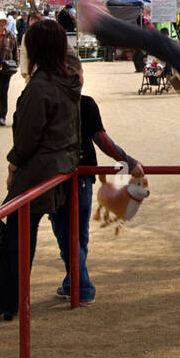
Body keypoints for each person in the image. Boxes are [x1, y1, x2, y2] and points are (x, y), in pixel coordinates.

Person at [0, 19, 81, 321]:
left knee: (17, 239)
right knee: (23, 237)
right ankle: (7, 300)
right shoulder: (67, 81)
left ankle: (3, 302)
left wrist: (14, 164)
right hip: (61, 166)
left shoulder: (41, 86)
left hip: (38, 170)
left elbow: (28, 136)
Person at [51, 93, 143, 305]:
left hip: (58, 176)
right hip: (80, 176)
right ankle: (73, 282)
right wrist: (127, 160)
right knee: (77, 235)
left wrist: (127, 161)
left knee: (67, 234)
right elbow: (101, 139)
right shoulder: (84, 103)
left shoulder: (50, 100)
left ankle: (81, 287)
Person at [18, 10, 42, 81]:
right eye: (31, 20)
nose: (34, 22)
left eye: (36, 20)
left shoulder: (45, 34)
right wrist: (24, 69)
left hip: (43, 68)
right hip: (31, 67)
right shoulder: (26, 36)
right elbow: (23, 53)